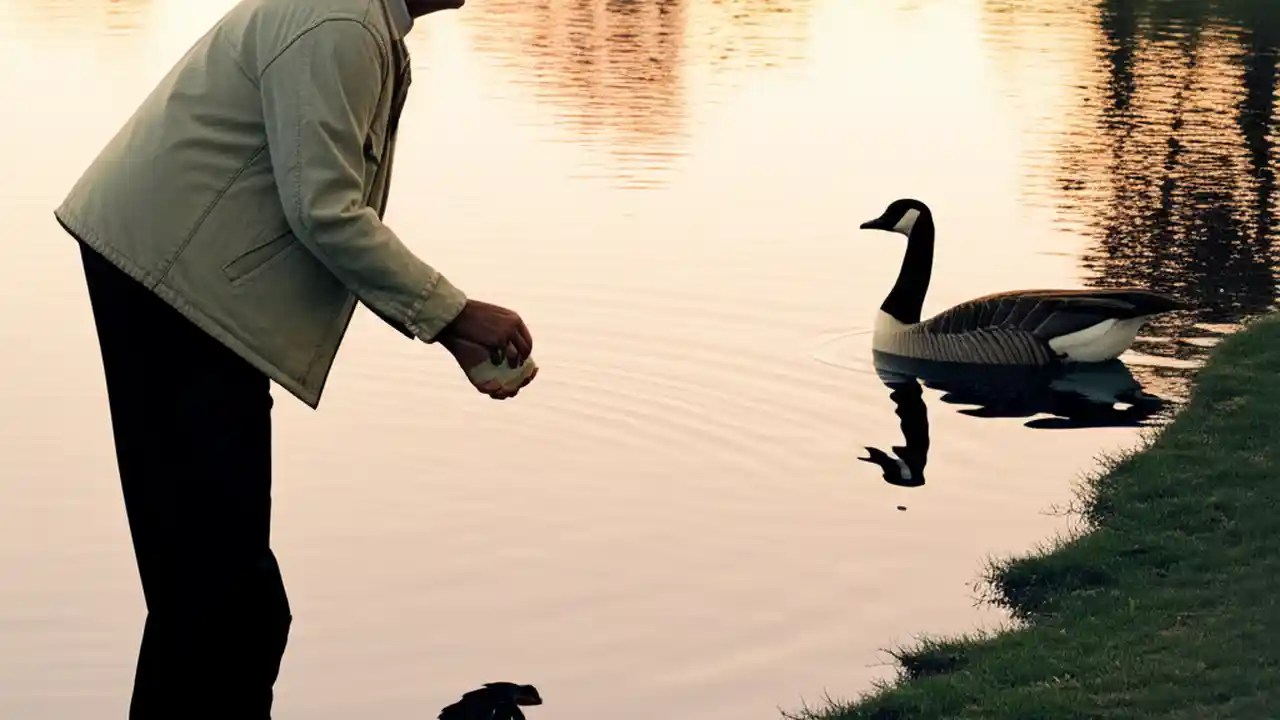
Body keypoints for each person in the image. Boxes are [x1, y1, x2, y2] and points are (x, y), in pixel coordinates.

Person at [53, 0, 535, 716]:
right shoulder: (340, 23)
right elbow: (325, 211)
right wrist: (455, 313)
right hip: (174, 286)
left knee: (222, 593)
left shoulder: (361, 21)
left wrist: (448, 330)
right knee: (221, 597)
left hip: (182, 283)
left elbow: (322, 205)